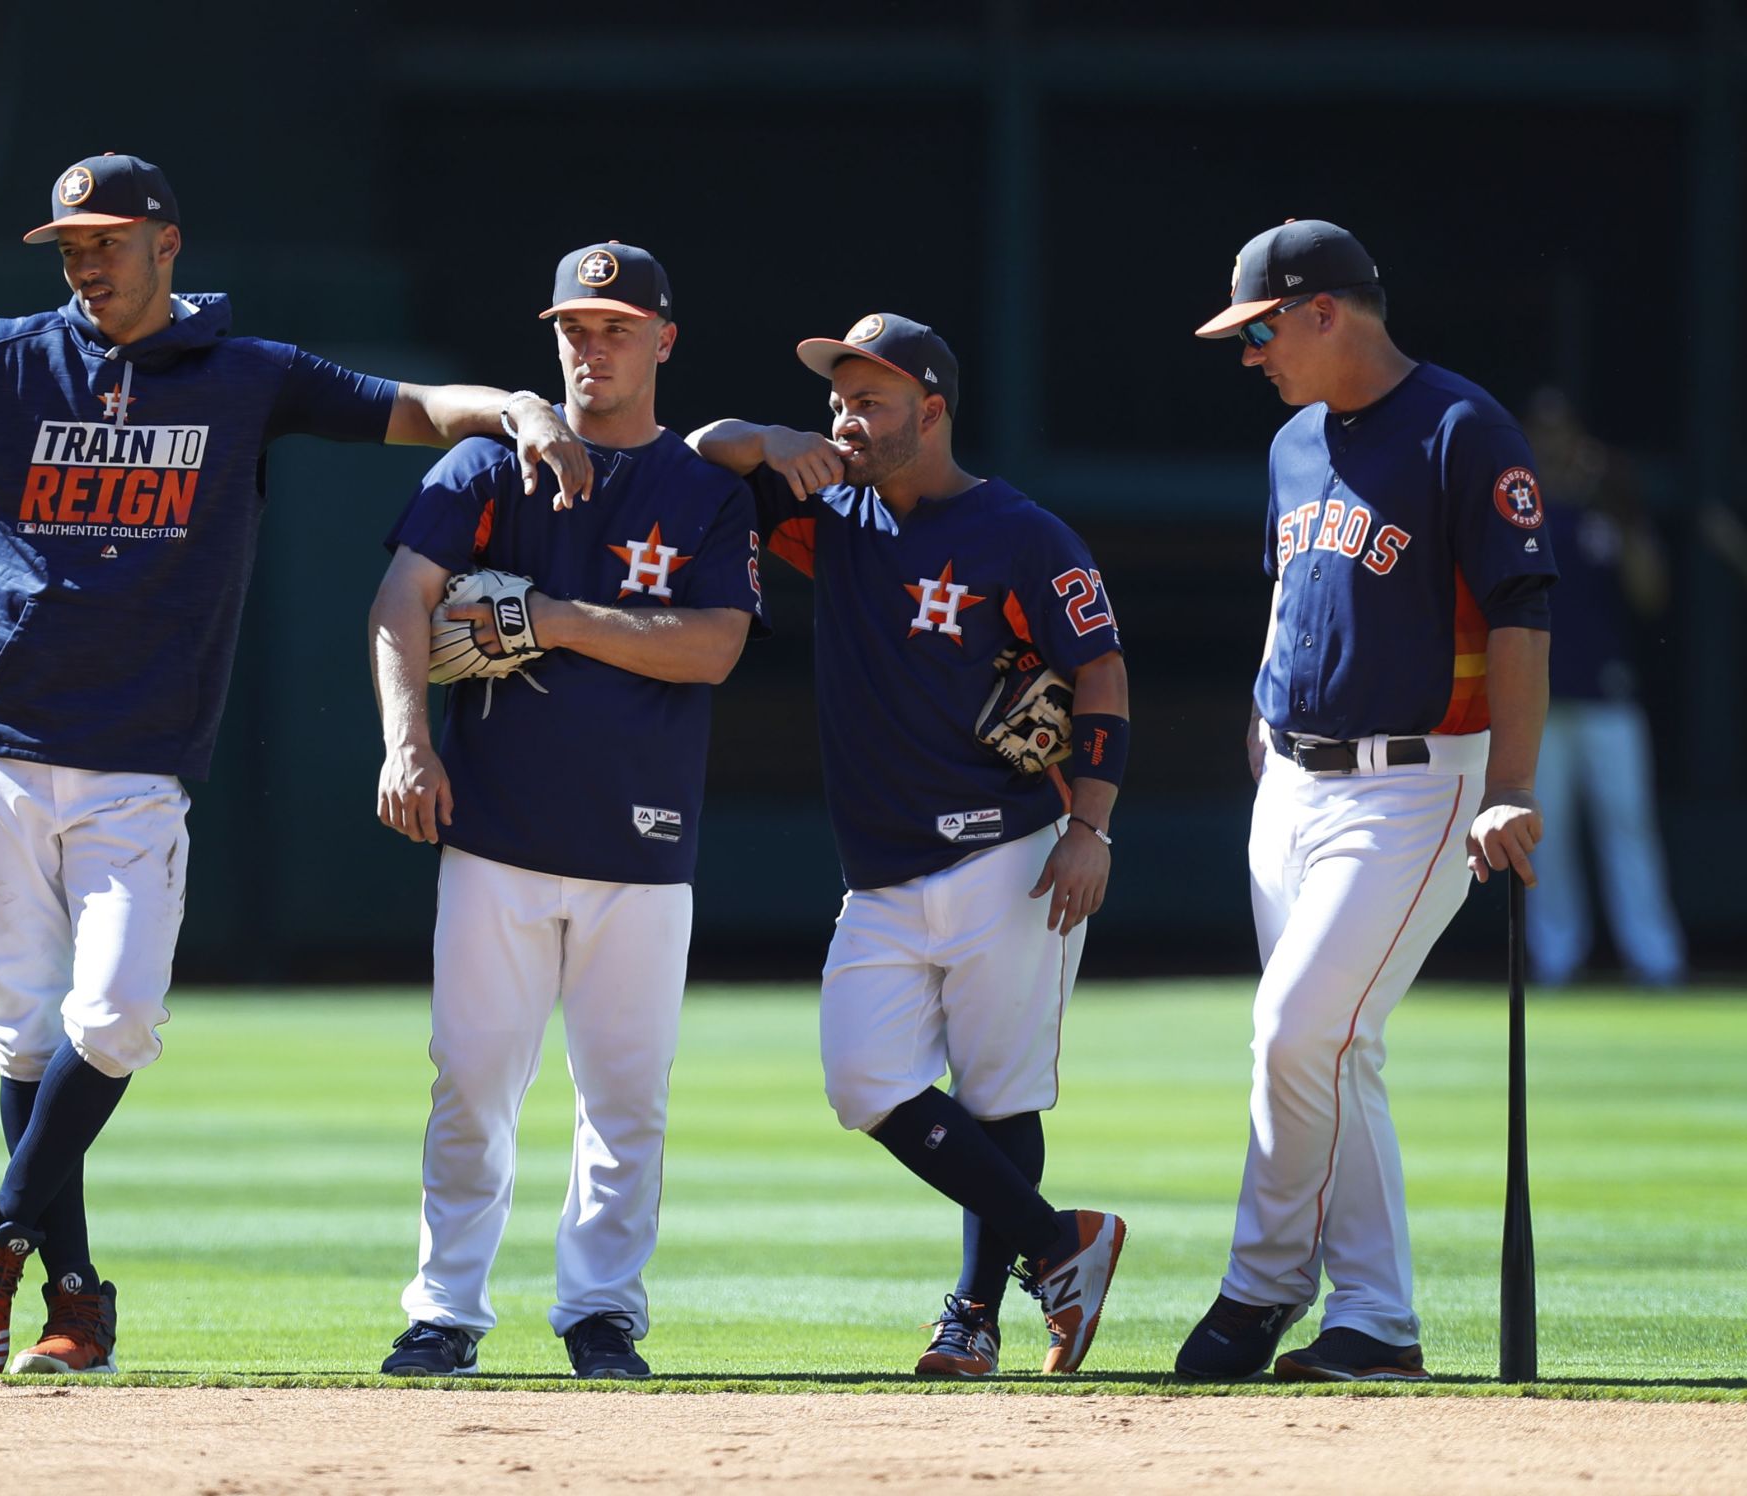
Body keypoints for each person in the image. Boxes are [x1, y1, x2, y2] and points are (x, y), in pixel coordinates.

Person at [0, 152, 593, 1378]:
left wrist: (516, 405)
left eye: (106, 240)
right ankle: (73, 1296)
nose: (85, 262)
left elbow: (409, 406)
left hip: (138, 764)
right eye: (69, 246)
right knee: (26, 1042)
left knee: (119, 1017)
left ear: (166, 245)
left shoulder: (246, 376)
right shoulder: (4, 356)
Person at [690, 313, 1129, 1379]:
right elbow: (699, 449)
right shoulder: (831, 514)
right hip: (880, 871)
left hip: (1009, 849)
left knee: (996, 1095)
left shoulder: (1020, 532)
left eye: (869, 399)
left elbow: (1102, 673)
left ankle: (971, 1319)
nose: (844, 416)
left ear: (929, 412)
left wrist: (1090, 828)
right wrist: (766, 436)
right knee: (860, 1079)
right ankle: (1059, 1242)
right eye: (836, 397)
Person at [368, 241, 763, 1380]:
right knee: (471, 1083)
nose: (592, 346)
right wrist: (406, 740)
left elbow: (715, 646)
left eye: (615, 326)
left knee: (625, 1099)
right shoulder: (491, 471)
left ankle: (600, 1310)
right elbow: (401, 599)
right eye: (573, 329)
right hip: (493, 830)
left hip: (642, 844)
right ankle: (444, 1309)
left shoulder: (700, 494)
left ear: (662, 339)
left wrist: (551, 617)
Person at [1177, 219, 1557, 1382]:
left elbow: (1521, 611)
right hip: (1291, 777)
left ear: (1322, 310)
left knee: (1299, 1027)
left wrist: (1508, 786)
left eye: (1260, 331)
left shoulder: (1458, 426)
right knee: (1327, 1049)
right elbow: (1294, 588)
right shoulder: (1295, 442)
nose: (1252, 355)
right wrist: (1261, 711)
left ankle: (1263, 1288)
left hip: (1416, 783)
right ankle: (1368, 1318)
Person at [1522, 389, 1686, 987]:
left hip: (1608, 700)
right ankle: (1557, 960)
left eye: (1563, 433)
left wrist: (1623, 507)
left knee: (1628, 828)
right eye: (1543, 434)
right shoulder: (1520, 508)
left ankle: (1656, 959)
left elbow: (1651, 595)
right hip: (1541, 701)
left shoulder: (1607, 507)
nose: (1555, 446)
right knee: (1549, 837)